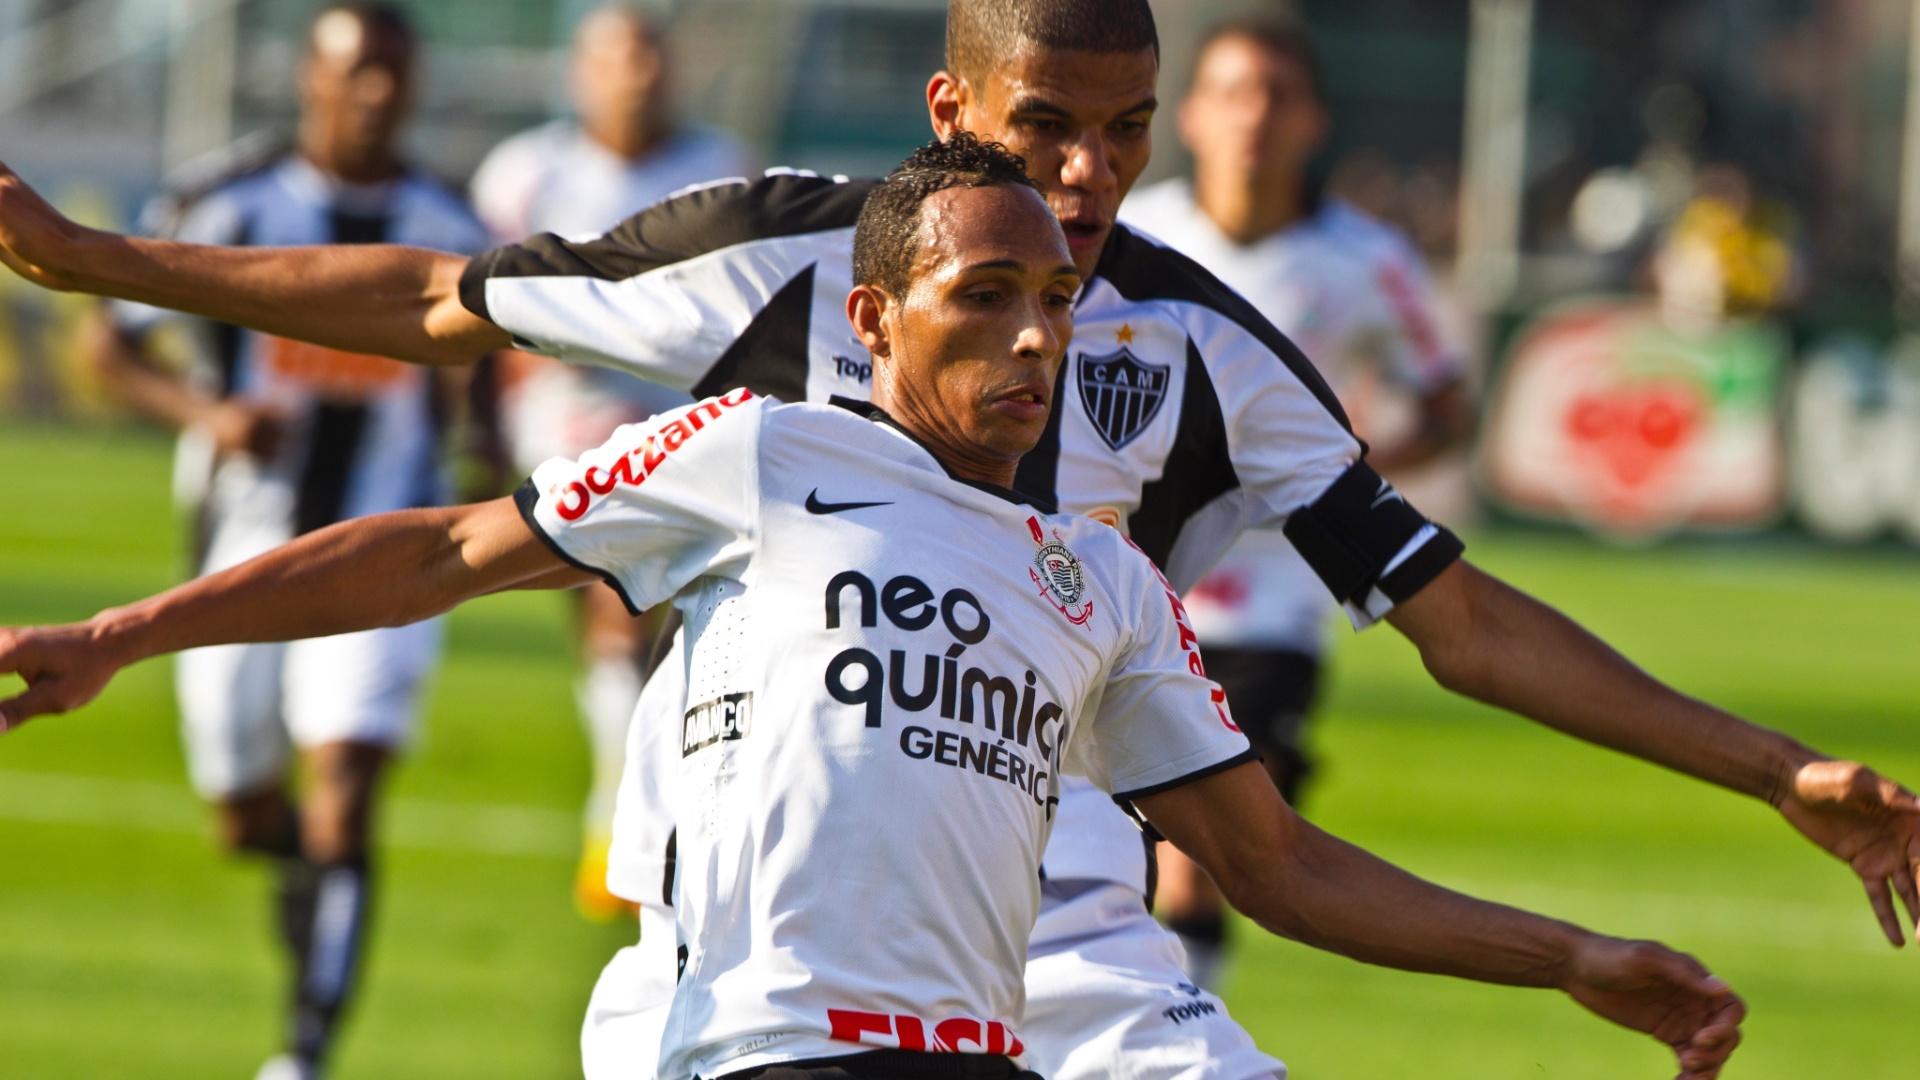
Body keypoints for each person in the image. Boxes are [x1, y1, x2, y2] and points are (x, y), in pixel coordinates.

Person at [0, 3, 1916, 1079]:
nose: (1089, 179)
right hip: (749, 960)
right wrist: (99, 267)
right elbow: (438, 319)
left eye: (1126, 131)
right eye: (1048, 127)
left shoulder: (1189, 359)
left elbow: (1456, 633)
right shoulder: (761, 317)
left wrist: (1771, 776)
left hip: (1070, 939)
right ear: (948, 122)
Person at [73, 6, 493, 1079]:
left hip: (389, 547)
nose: (378, 94)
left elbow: (489, 367)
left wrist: (488, 455)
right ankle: (320, 890)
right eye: (357, 73)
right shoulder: (234, 198)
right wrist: (205, 417)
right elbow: (105, 343)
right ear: (309, 78)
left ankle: (302, 1053)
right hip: (242, 547)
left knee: (344, 781)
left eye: (395, 74)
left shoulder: (450, 218)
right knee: (245, 814)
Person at [1118, 20, 1472, 991]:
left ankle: (1176, 1046)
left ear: (1313, 119)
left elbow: (1450, 405)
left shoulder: (1368, 257)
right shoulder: (1136, 239)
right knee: (1111, 855)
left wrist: (1341, 483)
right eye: (1233, 92)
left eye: (1277, 94)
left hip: (1274, 605)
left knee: (1201, 854)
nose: (1255, 118)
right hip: (1128, 586)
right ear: (1189, 115)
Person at [468, 2, 754, 922]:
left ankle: (648, 810)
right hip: (561, 420)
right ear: (581, 71)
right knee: (612, 606)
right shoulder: (525, 172)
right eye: (617, 57)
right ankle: (617, 810)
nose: (636, 74)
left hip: (688, 418)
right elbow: (472, 309)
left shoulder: (721, 168)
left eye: (650, 55)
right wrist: (481, 427)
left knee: (661, 622)